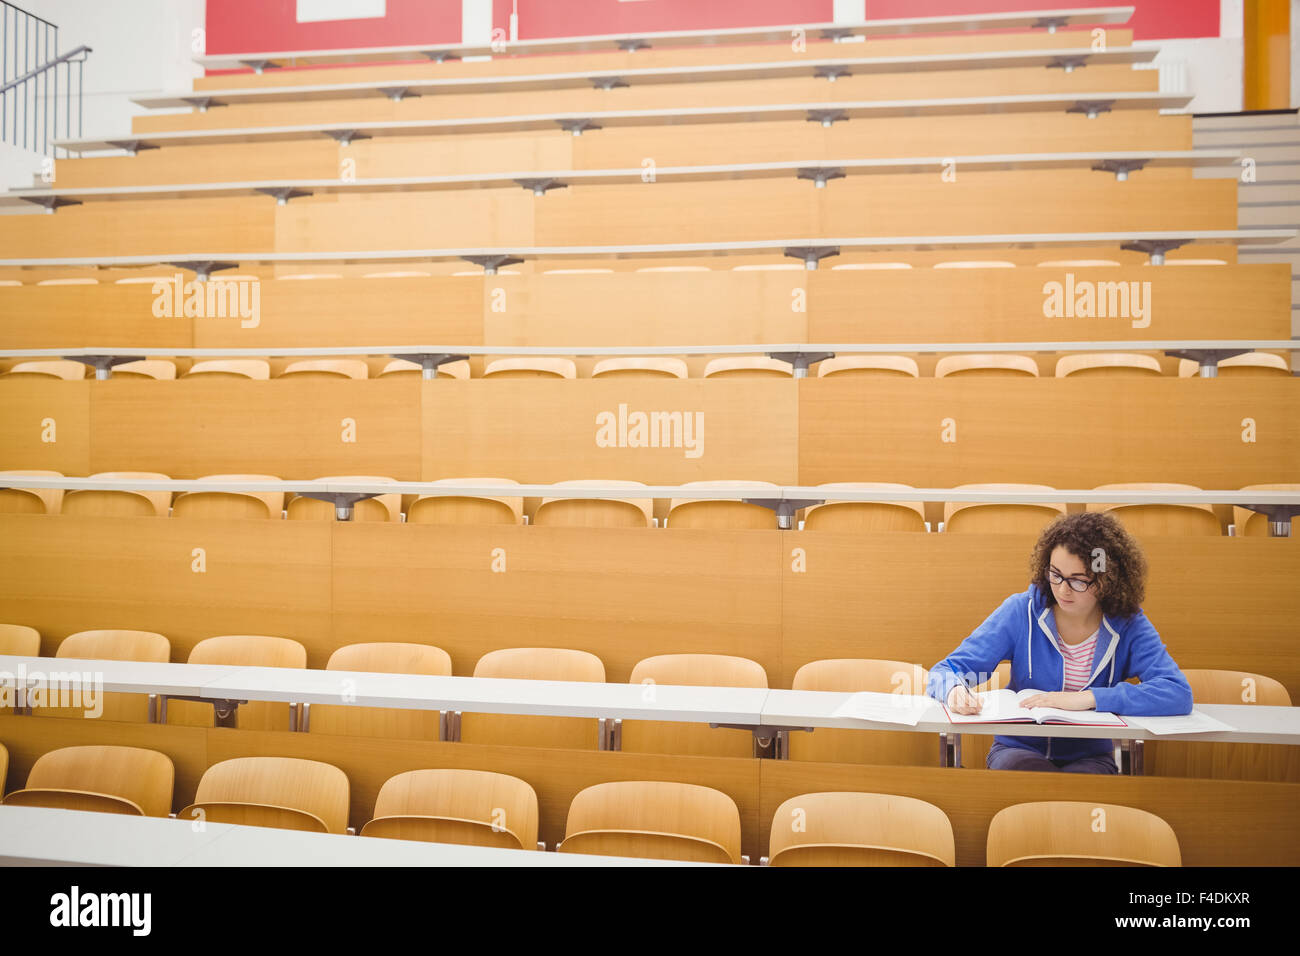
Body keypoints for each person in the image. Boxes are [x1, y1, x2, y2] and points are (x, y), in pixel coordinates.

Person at [925, 510, 1193, 773]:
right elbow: (945, 670)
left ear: (1107, 579)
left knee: (1081, 791)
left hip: (1091, 755)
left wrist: (1088, 698)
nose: (1063, 589)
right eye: (1055, 574)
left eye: (1078, 581)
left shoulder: (1128, 623)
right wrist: (953, 690)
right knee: (1028, 776)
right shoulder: (1021, 611)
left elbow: (1176, 693)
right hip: (1018, 749)